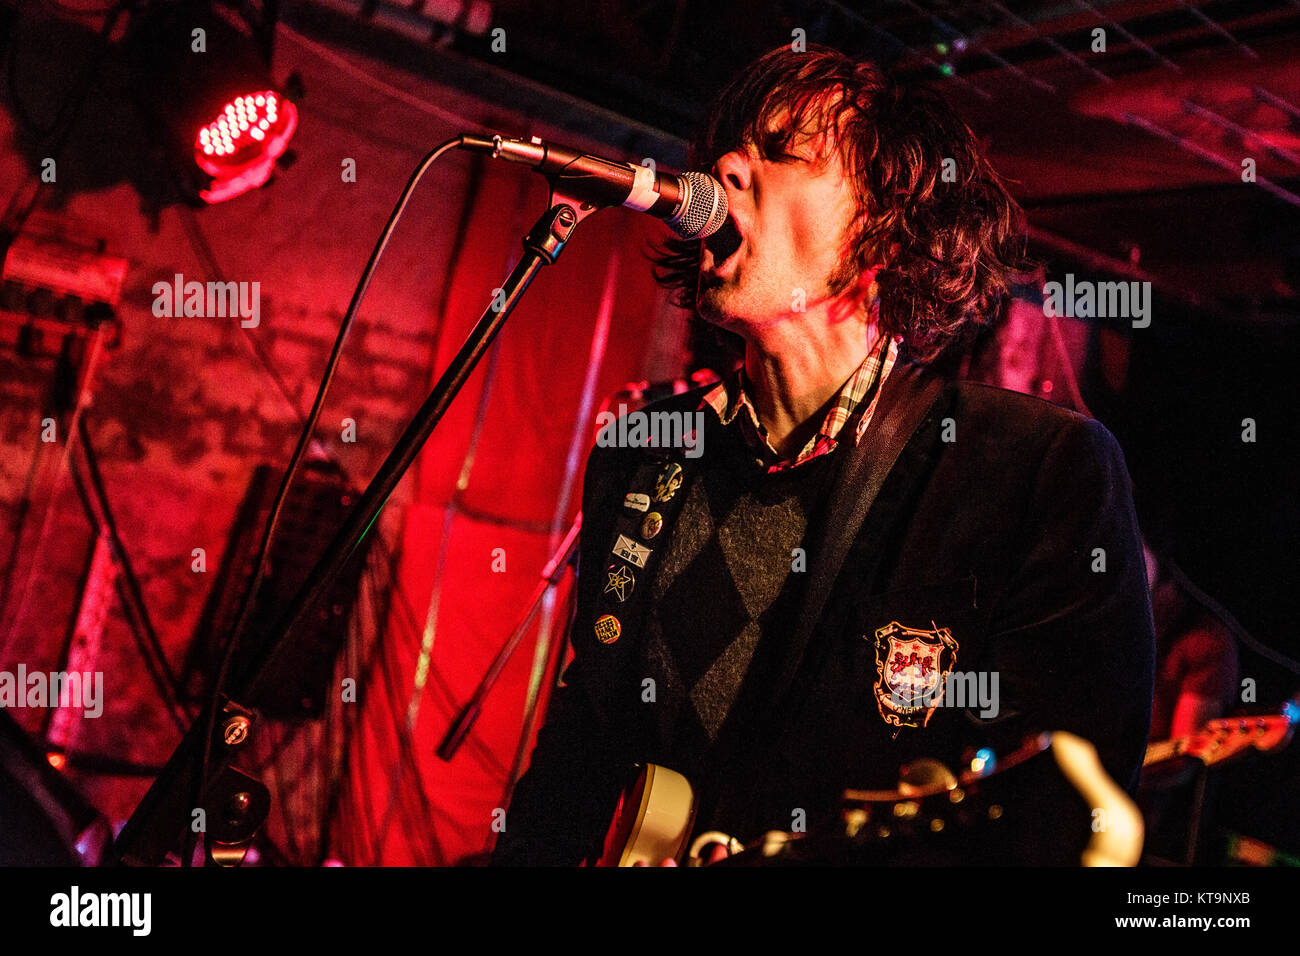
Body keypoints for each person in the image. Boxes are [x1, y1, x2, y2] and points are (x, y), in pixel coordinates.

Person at [492, 44, 1155, 866]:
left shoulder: (1033, 472)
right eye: (730, 148)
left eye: (780, 149)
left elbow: (1064, 811)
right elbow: (579, 753)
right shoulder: (642, 449)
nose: (729, 164)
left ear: (887, 219)